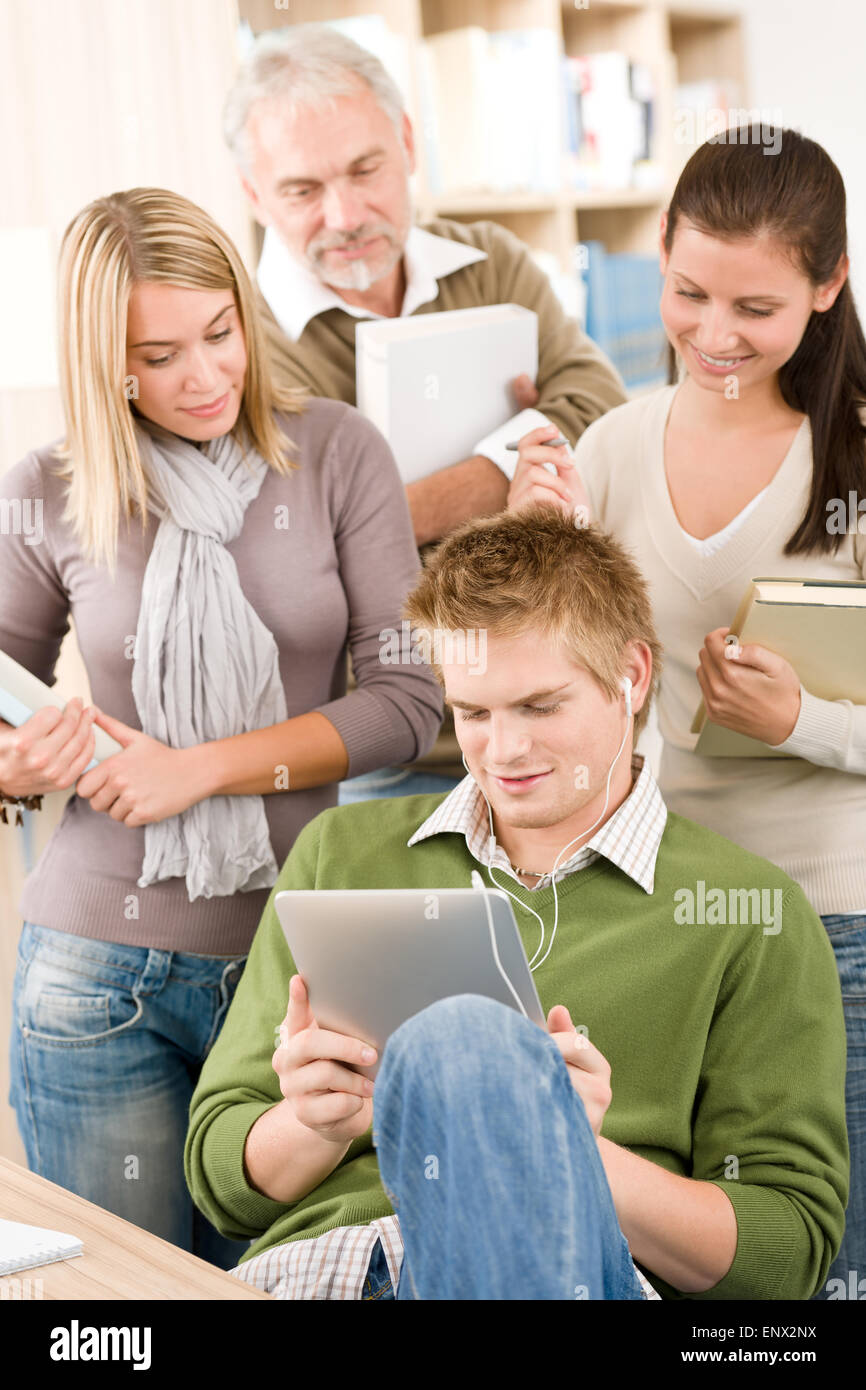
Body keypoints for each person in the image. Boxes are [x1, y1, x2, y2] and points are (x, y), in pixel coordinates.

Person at [185, 509, 847, 1301]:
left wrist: (561, 1147)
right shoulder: (340, 852)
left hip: (571, 1270)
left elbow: (784, 1258)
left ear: (632, 676)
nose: (504, 751)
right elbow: (220, 1178)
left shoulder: (749, 913)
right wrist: (313, 1126)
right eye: (473, 713)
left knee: (466, 1039)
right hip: (332, 1273)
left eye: (540, 706)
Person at [0, 186, 441, 1267]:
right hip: (96, 975)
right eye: (157, 355)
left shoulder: (336, 453)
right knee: (125, 1311)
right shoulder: (49, 490)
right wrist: (17, 763)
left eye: (217, 333)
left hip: (297, 963)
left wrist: (195, 771)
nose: (202, 377)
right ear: (104, 359)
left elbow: (407, 702)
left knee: (291, 1281)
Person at [507, 126, 866, 1301]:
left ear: (827, 287)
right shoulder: (613, 446)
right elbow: (559, 677)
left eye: (755, 307)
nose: (714, 336)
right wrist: (538, 547)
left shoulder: (851, 456)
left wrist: (798, 719)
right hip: (671, 917)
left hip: (833, 919)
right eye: (687, 293)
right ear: (654, 260)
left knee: (820, 1262)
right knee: (686, 1255)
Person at [221, 22, 628, 803]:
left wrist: (379, 513)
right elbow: (290, 550)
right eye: (303, 191)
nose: (344, 215)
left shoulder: (491, 262)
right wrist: (502, 482)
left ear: (407, 142)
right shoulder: (234, 346)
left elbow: (600, 408)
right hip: (378, 753)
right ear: (253, 195)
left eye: (365, 169)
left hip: (553, 724)